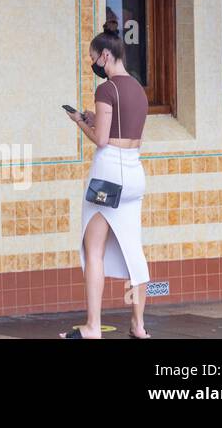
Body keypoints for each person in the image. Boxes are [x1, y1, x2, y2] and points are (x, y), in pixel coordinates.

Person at [60, 30, 151, 340]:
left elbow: (101, 139)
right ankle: (138, 325)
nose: (93, 63)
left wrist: (80, 121)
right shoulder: (139, 89)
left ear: (106, 55)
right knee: (133, 249)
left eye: (93, 57)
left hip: (109, 174)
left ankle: (93, 326)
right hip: (135, 172)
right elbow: (125, 131)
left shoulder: (106, 89)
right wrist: (92, 117)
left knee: (94, 248)